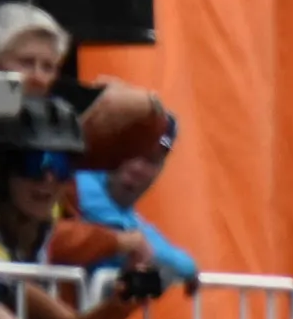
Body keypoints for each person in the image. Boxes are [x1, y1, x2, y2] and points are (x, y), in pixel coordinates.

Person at [0, 97, 163, 319]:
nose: (49, 179)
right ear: (3, 171)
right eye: (35, 163)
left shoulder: (39, 230)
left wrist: (126, 297)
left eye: (62, 165)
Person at [73, 86, 199, 287]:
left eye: (151, 160)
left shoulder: (125, 213)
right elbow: (131, 236)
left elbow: (140, 234)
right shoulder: (79, 178)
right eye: (133, 152)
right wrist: (186, 267)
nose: (137, 167)